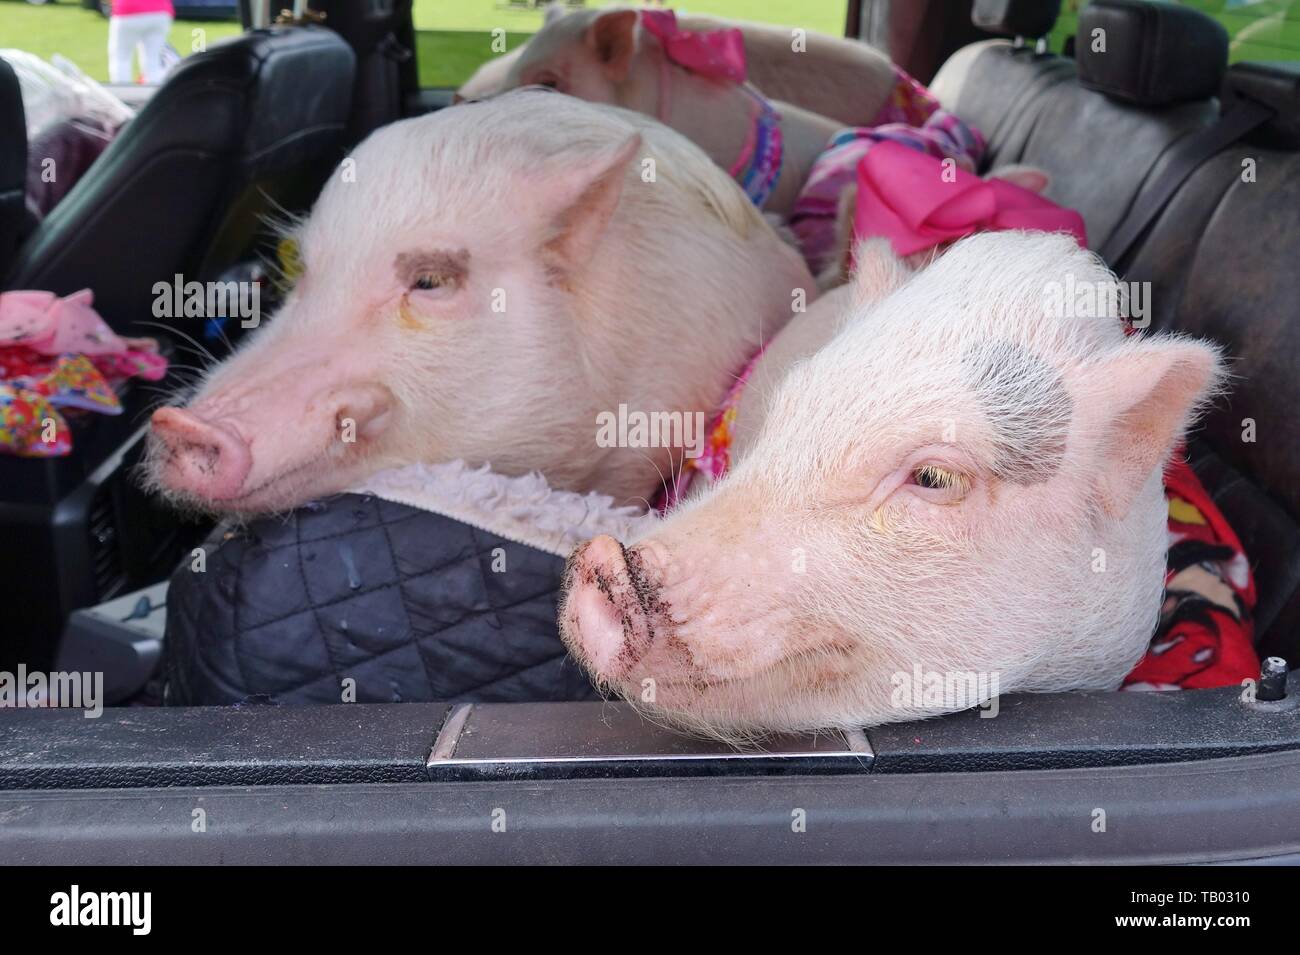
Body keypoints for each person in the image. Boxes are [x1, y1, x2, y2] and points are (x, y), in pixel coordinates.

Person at [107, 0, 176, 85]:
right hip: (161, 11)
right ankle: (154, 96)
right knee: (153, 62)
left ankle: (122, 94)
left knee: (121, 59)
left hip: (129, 9)